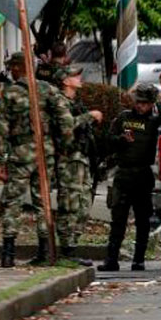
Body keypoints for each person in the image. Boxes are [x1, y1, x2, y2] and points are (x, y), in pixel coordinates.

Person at [0, 52, 75, 267]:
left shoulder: (10, 93)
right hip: (44, 152)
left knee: (13, 202)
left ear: (20, 68)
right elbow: (66, 120)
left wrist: (1, 161)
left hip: (20, 154)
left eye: (12, 67)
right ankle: (44, 251)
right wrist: (63, 147)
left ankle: (8, 253)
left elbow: (2, 130)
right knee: (43, 202)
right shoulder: (48, 89)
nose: (10, 71)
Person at [99, 85, 161, 272]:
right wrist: (121, 140)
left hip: (142, 175)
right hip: (123, 174)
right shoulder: (124, 118)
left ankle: (138, 260)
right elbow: (107, 141)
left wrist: (158, 104)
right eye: (138, 102)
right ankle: (111, 259)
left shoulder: (153, 121)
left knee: (143, 220)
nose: (140, 106)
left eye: (145, 103)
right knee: (118, 220)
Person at [52, 66, 103, 266]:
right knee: (70, 205)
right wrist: (90, 115)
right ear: (65, 81)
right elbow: (66, 127)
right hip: (69, 160)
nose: (79, 78)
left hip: (81, 158)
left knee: (83, 205)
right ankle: (66, 250)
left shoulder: (74, 103)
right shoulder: (60, 103)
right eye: (74, 75)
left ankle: (72, 245)